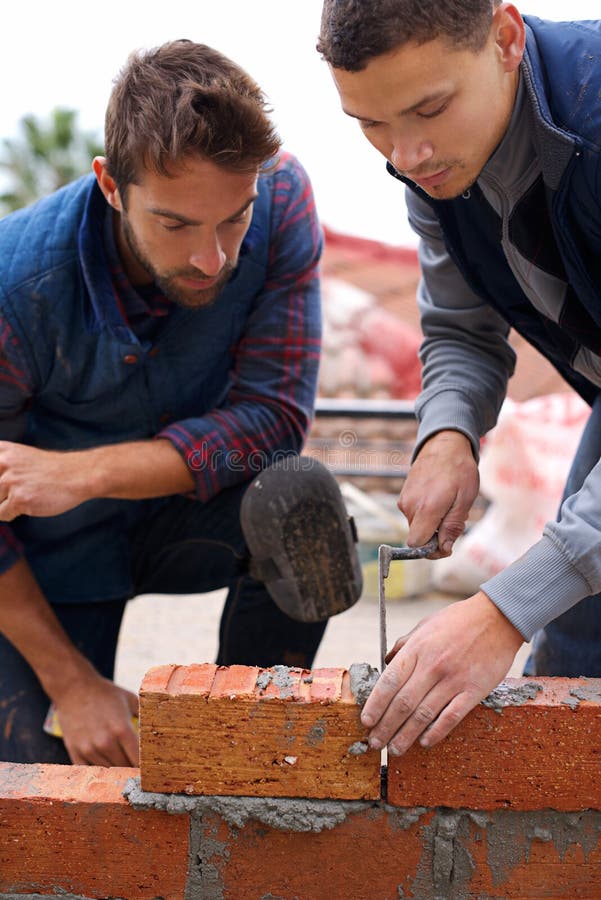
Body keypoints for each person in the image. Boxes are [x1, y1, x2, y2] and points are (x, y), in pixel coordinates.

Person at [0, 40, 329, 766]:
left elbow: (275, 421)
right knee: (45, 789)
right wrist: (71, 685)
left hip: (179, 514)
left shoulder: (282, 199)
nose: (213, 258)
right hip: (44, 558)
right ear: (111, 186)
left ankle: (245, 755)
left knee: (300, 502)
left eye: (234, 218)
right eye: (176, 224)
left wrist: (82, 473)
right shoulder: (13, 285)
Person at [318, 1, 601, 755]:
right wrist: (447, 432)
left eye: (429, 109)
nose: (405, 155)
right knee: (575, 638)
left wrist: (500, 614)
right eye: (370, 123)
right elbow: (460, 328)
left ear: (505, 39)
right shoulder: (438, 167)